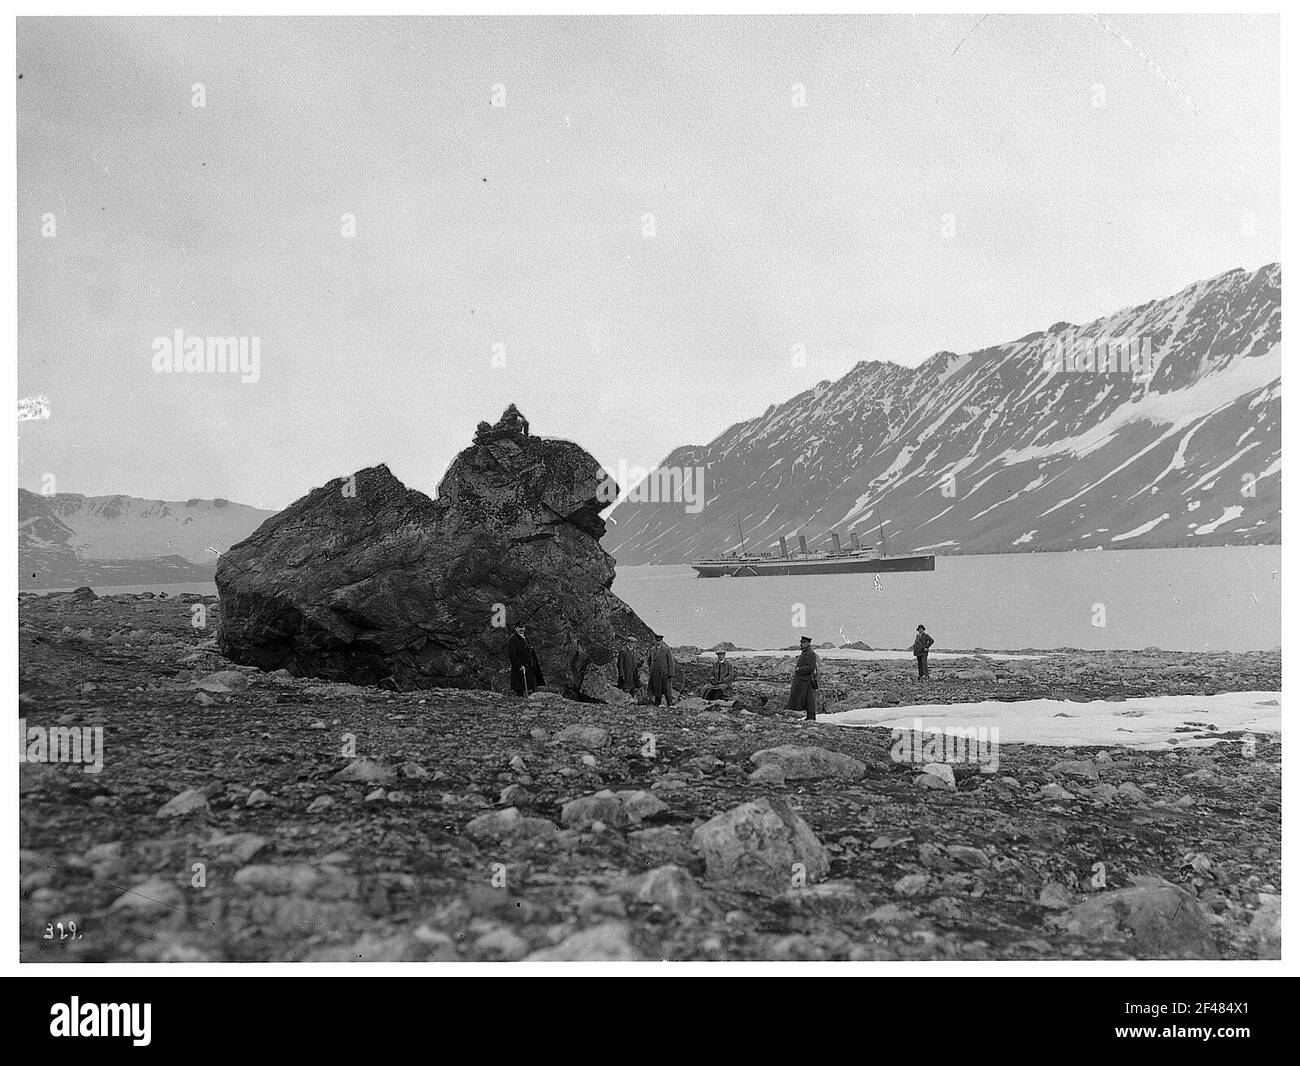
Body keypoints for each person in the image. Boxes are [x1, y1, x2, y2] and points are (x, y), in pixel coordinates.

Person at [786, 636, 820, 721]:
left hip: (806, 680)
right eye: (801, 643)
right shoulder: (805, 652)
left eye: (803, 643)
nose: (801, 644)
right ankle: (810, 717)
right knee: (808, 699)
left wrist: (799, 669)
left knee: (809, 699)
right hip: (803, 679)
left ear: (808, 643)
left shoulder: (810, 653)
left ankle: (811, 717)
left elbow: (811, 667)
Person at [506, 623, 545, 695]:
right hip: (520, 669)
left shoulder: (525, 638)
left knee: (531, 687)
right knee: (520, 689)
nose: (522, 629)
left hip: (530, 667)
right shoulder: (513, 640)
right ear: (516, 628)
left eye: (523, 627)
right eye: (520, 627)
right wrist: (520, 666)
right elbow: (512, 655)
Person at [647, 634, 676, 707]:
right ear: (655, 641)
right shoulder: (652, 650)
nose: (658, 642)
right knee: (657, 690)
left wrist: (670, 673)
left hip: (665, 674)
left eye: (659, 641)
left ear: (662, 641)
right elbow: (649, 661)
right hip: (655, 674)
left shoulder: (666, 649)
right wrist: (652, 669)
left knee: (667, 691)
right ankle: (657, 704)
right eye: (657, 641)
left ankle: (670, 704)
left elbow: (671, 662)